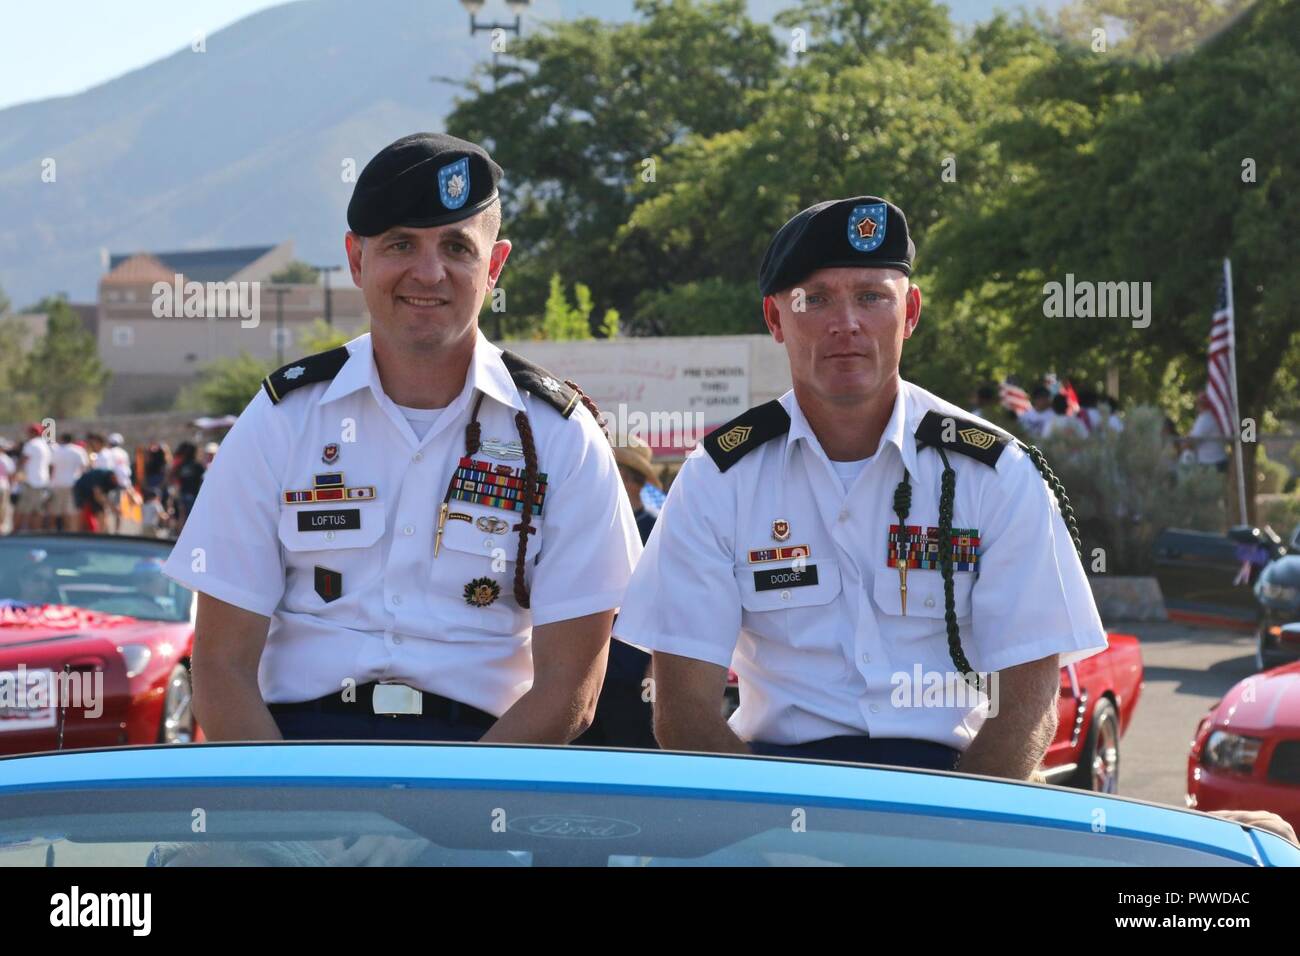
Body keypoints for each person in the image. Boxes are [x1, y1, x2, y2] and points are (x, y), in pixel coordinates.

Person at [162, 132, 642, 744]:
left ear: (494, 268)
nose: (428, 272)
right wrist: (294, 823)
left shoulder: (559, 435)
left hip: (481, 761)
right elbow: (221, 672)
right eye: (400, 244)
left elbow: (571, 689)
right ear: (356, 260)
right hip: (300, 752)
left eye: (456, 247)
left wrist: (450, 826)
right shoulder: (284, 418)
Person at [613, 196, 1107, 779]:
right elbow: (684, 712)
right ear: (775, 318)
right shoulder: (720, 477)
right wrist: (771, 834)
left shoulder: (994, 472)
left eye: (872, 297)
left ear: (912, 311)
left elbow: (1026, 704)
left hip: (949, 786)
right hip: (774, 786)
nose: (844, 323)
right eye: (814, 299)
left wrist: (953, 841)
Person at [575, 436, 661, 750]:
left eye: (615, 472)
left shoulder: (658, 528)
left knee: (635, 751)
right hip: (586, 657)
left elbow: (669, 600)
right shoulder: (585, 525)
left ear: (633, 481)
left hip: (636, 662)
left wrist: (657, 667)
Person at [14, 424, 52, 532]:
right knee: (38, 510)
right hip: (43, 482)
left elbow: (23, 460)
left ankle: (15, 532)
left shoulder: (31, 444)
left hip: (31, 482)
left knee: (21, 509)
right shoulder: (45, 445)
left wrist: (17, 473)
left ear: (33, 433)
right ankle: (35, 532)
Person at [49, 433, 90, 532]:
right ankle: (71, 532)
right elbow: (85, 467)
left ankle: (53, 532)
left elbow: (51, 467)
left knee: (55, 511)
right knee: (71, 511)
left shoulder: (56, 450)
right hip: (73, 483)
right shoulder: (78, 450)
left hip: (57, 484)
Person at [1185, 390, 1228, 472]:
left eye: (1199, 402)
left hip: (1213, 463)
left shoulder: (1206, 418)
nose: (1197, 405)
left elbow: (1191, 442)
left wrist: (1185, 442)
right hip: (1212, 462)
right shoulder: (1204, 417)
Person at [72, 466, 121, 534]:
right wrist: (111, 506)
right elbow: (97, 495)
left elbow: (104, 498)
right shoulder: (100, 476)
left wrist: (114, 508)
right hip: (82, 491)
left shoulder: (113, 483)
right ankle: (76, 534)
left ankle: (103, 533)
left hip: (93, 494)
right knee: (82, 514)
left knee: (102, 513)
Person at [169, 442, 205, 530]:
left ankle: (179, 534)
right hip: (192, 494)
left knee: (182, 515)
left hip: (183, 493)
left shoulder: (182, 465)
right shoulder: (197, 466)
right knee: (188, 517)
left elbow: (174, 477)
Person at [0, 439, 15, 535]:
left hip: (3, 486)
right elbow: (11, 475)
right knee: (2, 507)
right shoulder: (6, 459)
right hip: (3, 486)